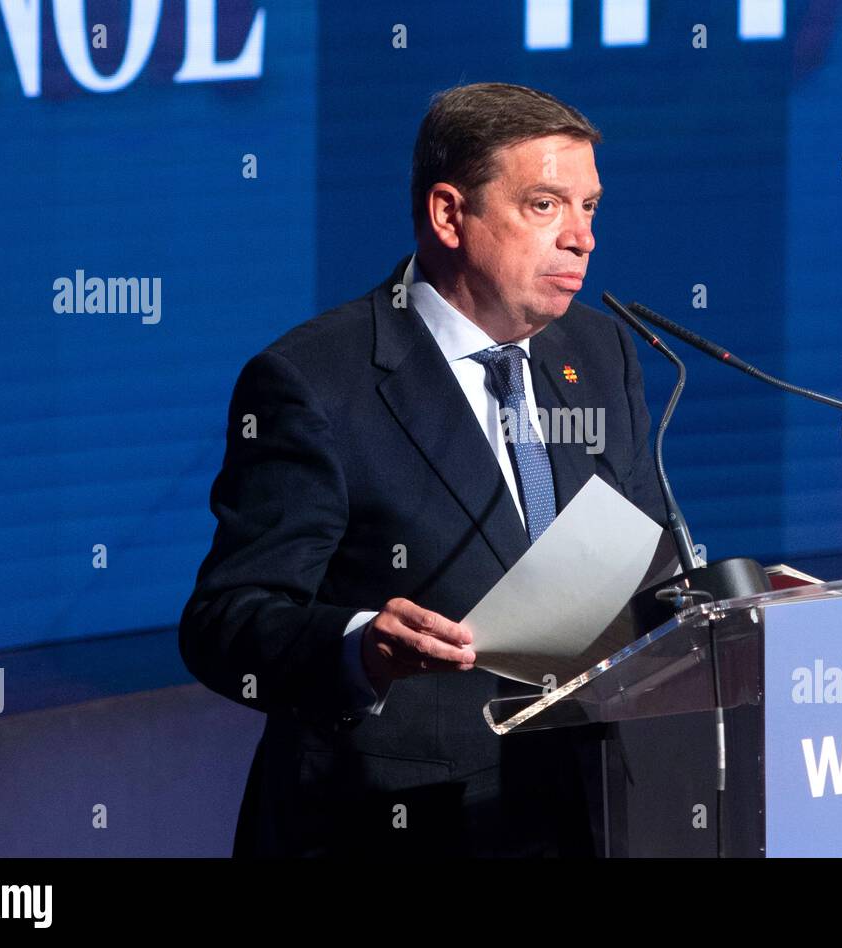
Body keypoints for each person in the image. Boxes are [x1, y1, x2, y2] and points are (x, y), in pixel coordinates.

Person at [179, 82, 666, 857]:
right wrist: (359, 644)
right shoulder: (313, 382)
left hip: (587, 806)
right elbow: (226, 624)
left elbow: (643, 558)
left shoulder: (599, 354)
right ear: (449, 214)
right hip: (393, 824)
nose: (582, 238)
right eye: (546, 205)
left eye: (590, 208)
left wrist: (731, 600)